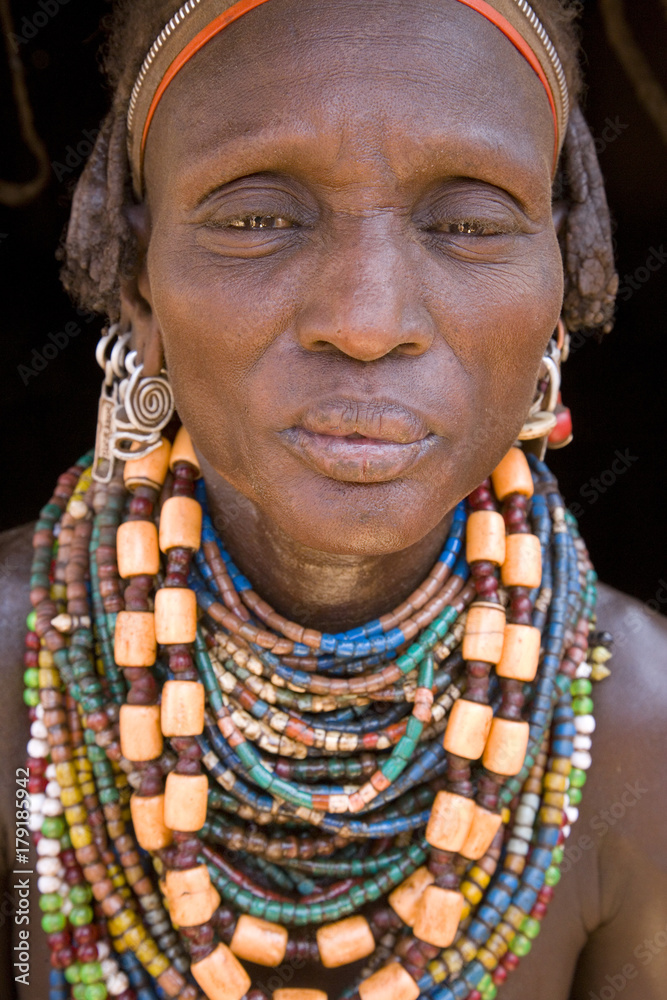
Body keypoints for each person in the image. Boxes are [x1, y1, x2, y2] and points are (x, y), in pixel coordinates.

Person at [1, 1, 665, 998]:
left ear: (560, 275)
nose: (365, 320)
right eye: (256, 220)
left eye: (468, 224)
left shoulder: (638, 729)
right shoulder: (17, 683)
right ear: (138, 280)